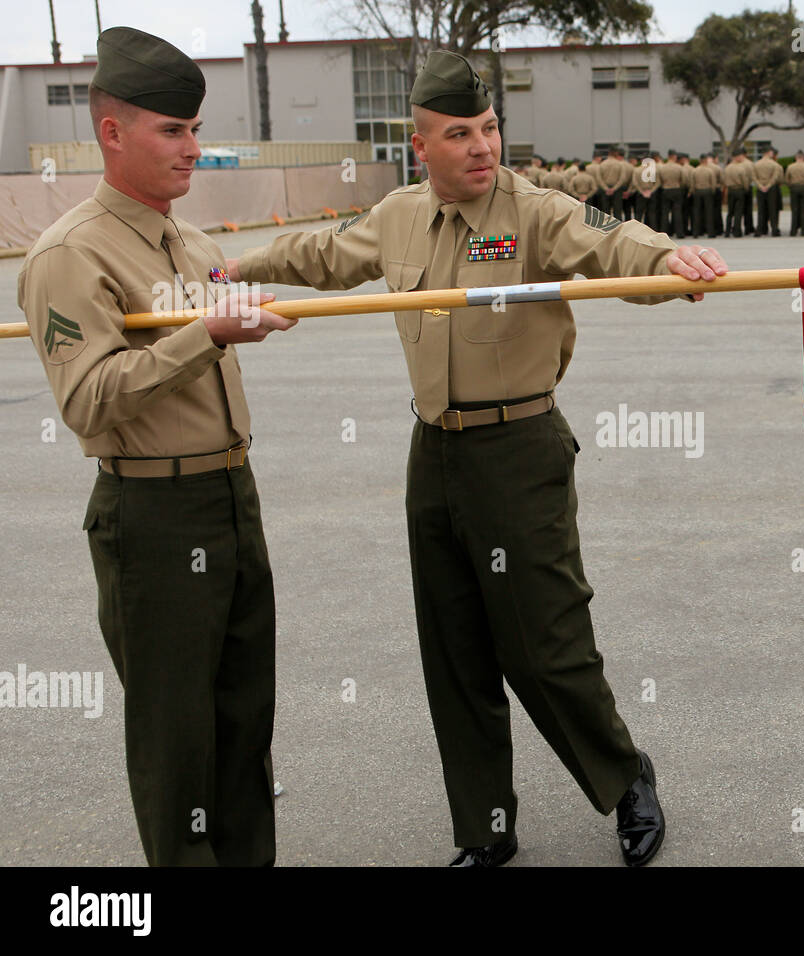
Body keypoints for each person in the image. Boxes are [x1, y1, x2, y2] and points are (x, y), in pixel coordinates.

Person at [229, 50, 728, 867]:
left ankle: (624, 776)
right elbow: (317, 255)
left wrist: (669, 262)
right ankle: (485, 830)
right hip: (434, 454)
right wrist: (226, 270)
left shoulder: (534, 210)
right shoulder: (396, 216)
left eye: (489, 128)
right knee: (454, 650)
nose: (481, 146)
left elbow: (612, 243)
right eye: (459, 133)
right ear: (420, 146)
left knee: (547, 640)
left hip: (519, 449)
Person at [18, 26, 296, 866]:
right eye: (172, 130)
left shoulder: (196, 245)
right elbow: (89, 399)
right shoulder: (71, 254)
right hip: (153, 510)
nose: (192, 149)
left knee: (244, 722)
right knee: (177, 738)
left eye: (196, 130)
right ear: (111, 133)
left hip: (230, 496)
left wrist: (229, 323)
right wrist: (204, 336)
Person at [753, 147, 784, 237]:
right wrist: (768, 185)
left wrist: (760, 186)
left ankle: (760, 229)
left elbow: (754, 177)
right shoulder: (775, 165)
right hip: (772, 188)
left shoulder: (756, 164)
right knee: (773, 209)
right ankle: (774, 229)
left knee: (761, 209)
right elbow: (776, 177)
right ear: (769, 153)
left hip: (760, 188)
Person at [786, 151, 804, 236]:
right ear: (803, 158)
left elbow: (787, 179)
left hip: (794, 188)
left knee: (794, 210)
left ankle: (793, 230)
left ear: (796, 157)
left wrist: (790, 185)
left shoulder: (790, 167)